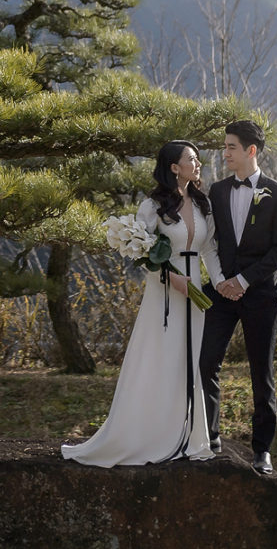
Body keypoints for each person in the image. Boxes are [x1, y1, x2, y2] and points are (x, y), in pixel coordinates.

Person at [61, 141, 221, 466]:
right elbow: (144, 253)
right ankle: (149, 435)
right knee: (161, 358)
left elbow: (210, 252)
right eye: (191, 159)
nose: (198, 163)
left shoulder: (204, 203)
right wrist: (171, 278)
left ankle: (188, 437)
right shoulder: (152, 205)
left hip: (195, 294)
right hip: (165, 291)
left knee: (190, 361)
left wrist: (221, 284)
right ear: (174, 167)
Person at [200, 118, 277, 476]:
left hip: (260, 296)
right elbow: (210, 241)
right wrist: (223, 280)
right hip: (221, 293)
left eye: (230, 147)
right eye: (224, 147)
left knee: (261, 372)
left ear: (250, 151)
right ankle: (210, 440)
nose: (224, 153)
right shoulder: (218, 191)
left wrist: (243, 280)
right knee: (206, 362)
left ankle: (262, 450)